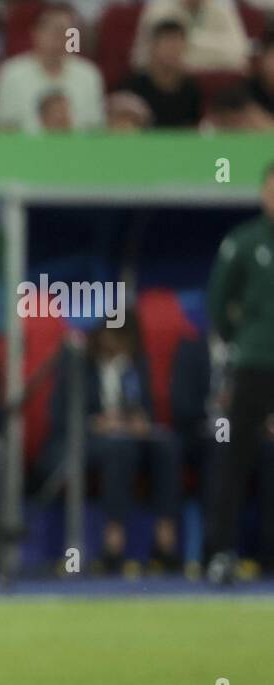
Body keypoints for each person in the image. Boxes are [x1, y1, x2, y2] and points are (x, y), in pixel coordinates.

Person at [48, 321, 183, 573]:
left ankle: (165, 538)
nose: (119, 342)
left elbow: (146, 410)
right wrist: (96, 422)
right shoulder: (77, 361)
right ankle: (114, 541)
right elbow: (60, 415)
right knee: (120, 450)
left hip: (130, 438)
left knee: (166, 446)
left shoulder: (135, 364)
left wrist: (139, 421)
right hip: (87, 441)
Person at [204, 162, 274, 584]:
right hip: (253, 365)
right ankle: (219, 552)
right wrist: (242, 339)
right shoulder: (245, 242)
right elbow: (218, 303)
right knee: (235, 457)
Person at [0, 3, 105, 132]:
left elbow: (95, 130)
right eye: (56, 31)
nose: (63, 38)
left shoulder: (89, 75)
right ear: (36, 33)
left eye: (71, 32)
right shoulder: (10, 74)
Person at [122, 19, 203, 128]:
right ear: (153, 47)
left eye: (176, 44)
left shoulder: (191, 89)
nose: (171, 50)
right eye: (166, 43)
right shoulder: (133, 87)